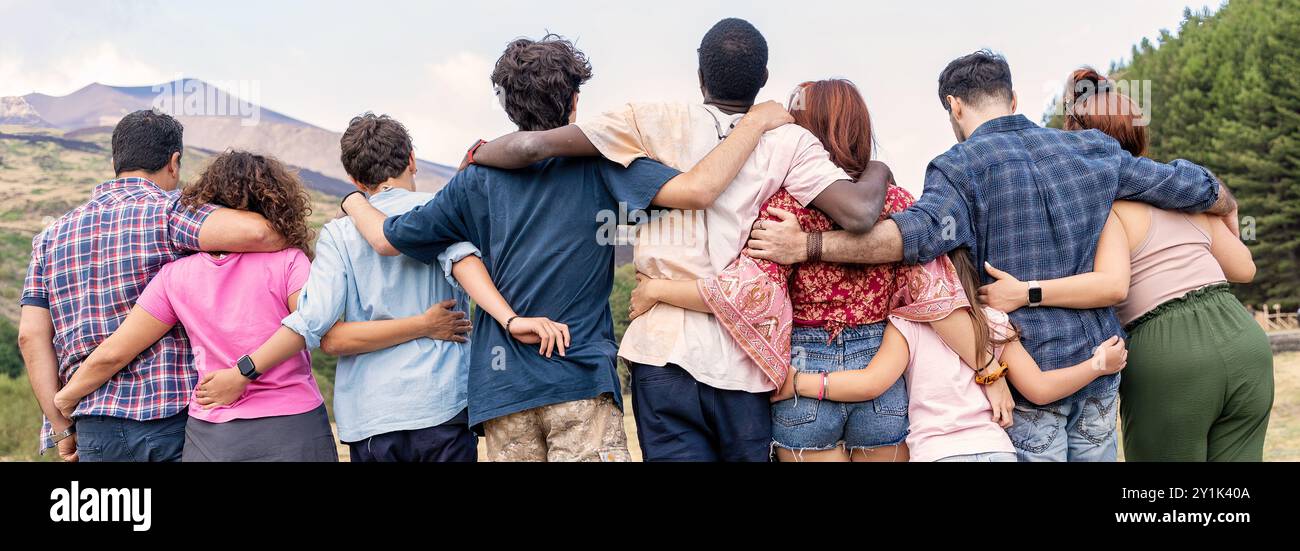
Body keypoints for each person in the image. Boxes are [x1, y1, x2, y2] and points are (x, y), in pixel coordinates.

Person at [467, 19, 972, 462]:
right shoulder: (788, 140)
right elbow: (860, 212)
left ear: (699, 73)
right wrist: (879, 166)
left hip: (660, 349)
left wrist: (481, 151)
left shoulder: (646, 120)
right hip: (743, 359)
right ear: (765, 79)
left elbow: (535, 144)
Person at [744, 50, 1238, 462]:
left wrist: (807, 245)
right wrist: (1225, 202)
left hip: (1029, 379)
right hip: (1099, 367)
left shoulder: (958, 166)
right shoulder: (1091, 150)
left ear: (955, 107)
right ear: (1014, 98)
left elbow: (907, 238)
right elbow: (1183, 183)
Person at [341, 34, 794, 461]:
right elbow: (699, 190)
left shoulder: (473, 181)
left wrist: (352, 200)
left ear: (509, 107)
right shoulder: (602, 166)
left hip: (502, 393)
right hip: (579, 381)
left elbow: (384, 238)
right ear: (575, 102)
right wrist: (755, 121)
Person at [628, 79, 1000, 462]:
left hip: (803, 380)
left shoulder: (785, 207)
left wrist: (658, 289)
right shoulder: (898, 202)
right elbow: (938, 300)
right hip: (880, 381)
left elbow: (743, 295)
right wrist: (990, 369)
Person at [979, 68, 1272, 461]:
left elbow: (1112, 285)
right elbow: (1245, 269)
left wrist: (1026, 291)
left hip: (1171, 347)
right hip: (1244, 339)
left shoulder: (1106, 208)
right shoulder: (1185, 197)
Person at [18, 110, 285, 462]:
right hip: (173, 418)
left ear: (116, 160)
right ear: (174, 162)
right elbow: (262, 234)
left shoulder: (49, 238)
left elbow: (30, 337)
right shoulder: (170, 212)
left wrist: (60, 426)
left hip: (93, 425)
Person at [53, 151, 336, 461]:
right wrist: (243, 373)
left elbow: (116, 351)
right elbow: (310, 323)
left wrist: (67, 398)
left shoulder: (176, 275)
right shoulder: (289, 260)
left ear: (209, 201)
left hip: (212, 434)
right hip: (293, 422)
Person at [773, 249, 1128, 462]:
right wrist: (1097, 365)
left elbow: (871, 383)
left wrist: (799, 382)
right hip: (995, 451)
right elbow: (1040, 389)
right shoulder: (992, 323)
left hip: (936, 454)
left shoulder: (906, 324)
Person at [269, 113, 480, 462]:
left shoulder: (338, 234)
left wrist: (245, 369)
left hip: (371, 417)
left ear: (354, 179)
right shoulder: (442, 212)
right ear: (412, 158)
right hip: (442, 404)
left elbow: (319, 328)